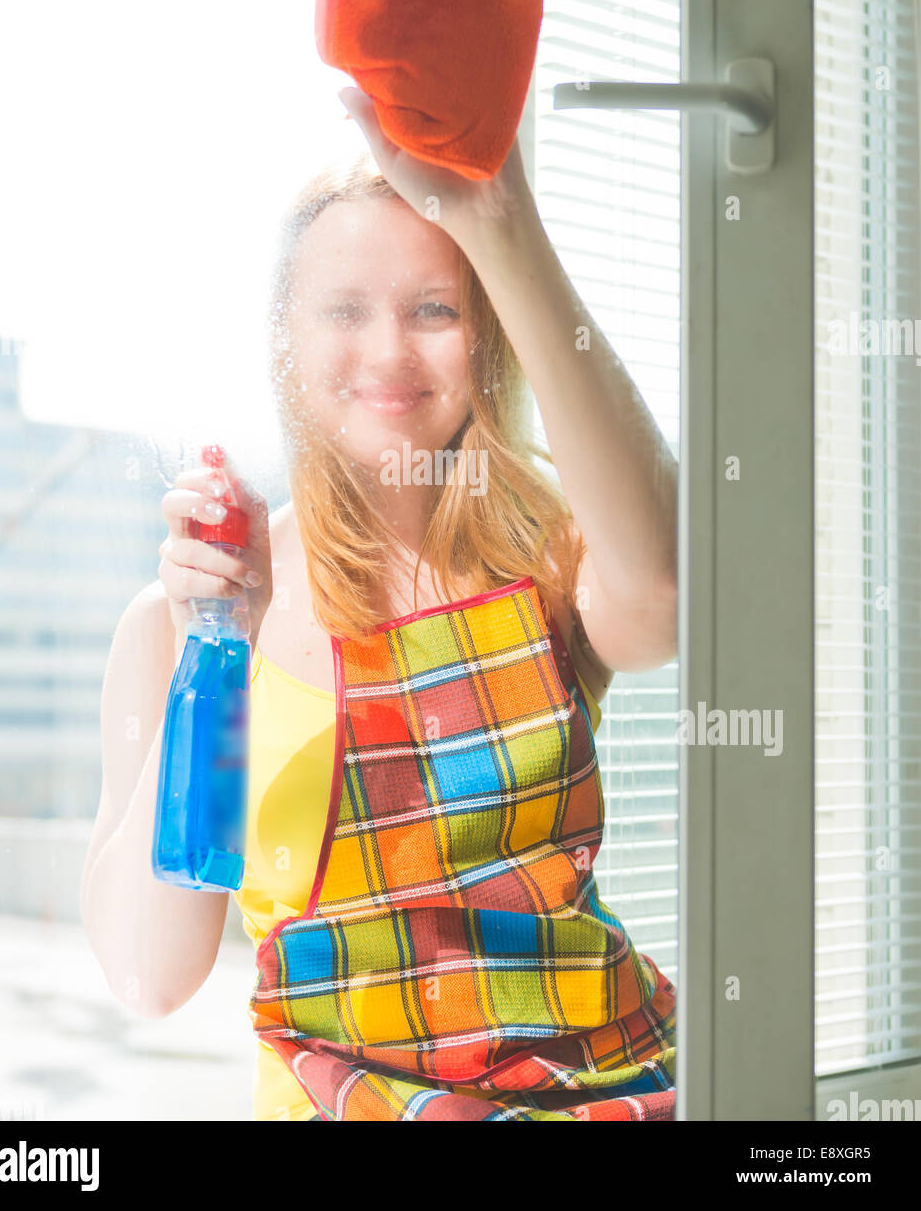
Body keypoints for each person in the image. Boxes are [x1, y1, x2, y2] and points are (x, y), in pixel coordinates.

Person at [83, 86, 679, 1122]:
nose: (390, 353)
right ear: (285, 340)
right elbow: (150, 975)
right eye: (344, 310)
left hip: (604, 1090)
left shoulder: (551, 561)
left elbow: (667, 600)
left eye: (434, 309)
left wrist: (505, 227)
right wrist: (213, 652)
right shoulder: (176, 623)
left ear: (488, 335)